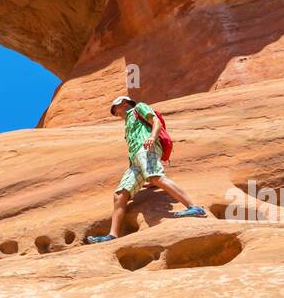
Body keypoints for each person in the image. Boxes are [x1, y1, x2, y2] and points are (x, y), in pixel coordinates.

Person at [87, 95, 206, 243]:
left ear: (124, 103)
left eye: (115, 109)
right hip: (135, 160)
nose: (116, 114)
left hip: (147, 148)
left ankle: (194, 207)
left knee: (156, 177)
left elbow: (155, 121)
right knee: (119, 195)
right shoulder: (127, 123)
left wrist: (151, 137)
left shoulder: (139, 107)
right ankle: (112, 235)